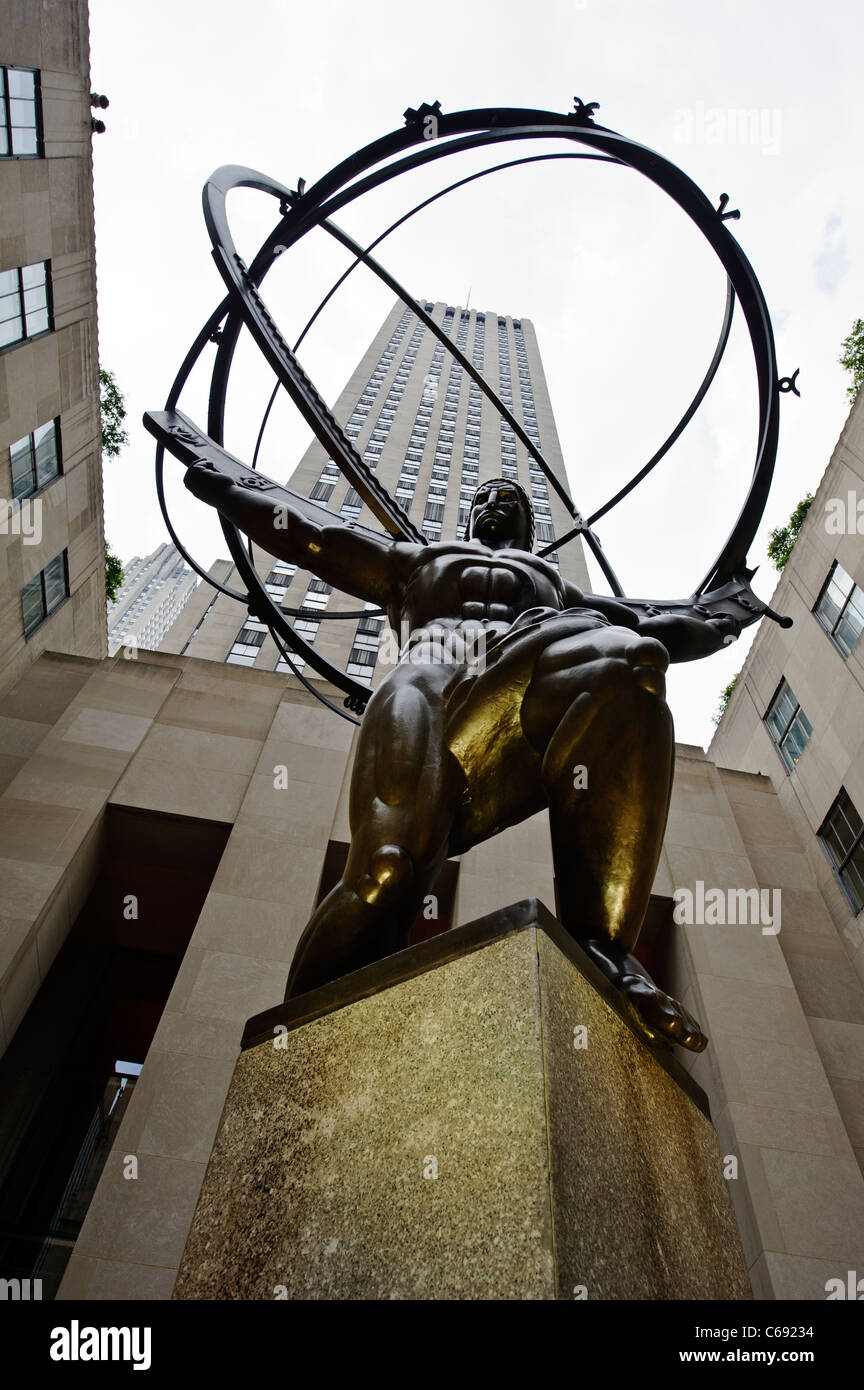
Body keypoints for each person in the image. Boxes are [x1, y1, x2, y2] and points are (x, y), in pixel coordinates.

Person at [185, 463, 736, 1051]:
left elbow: (662, 623)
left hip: (517, 680)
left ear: (529, 525)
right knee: (385, 873)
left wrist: (728, 614)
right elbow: (317, 535)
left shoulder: (556, 587)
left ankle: (603, 945)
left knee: (634, 662)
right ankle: (293, 1067)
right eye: (484, 498)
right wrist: (227, 488)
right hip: (425, 684)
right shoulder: (418, 561)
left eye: (509, 500)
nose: (494, 504)